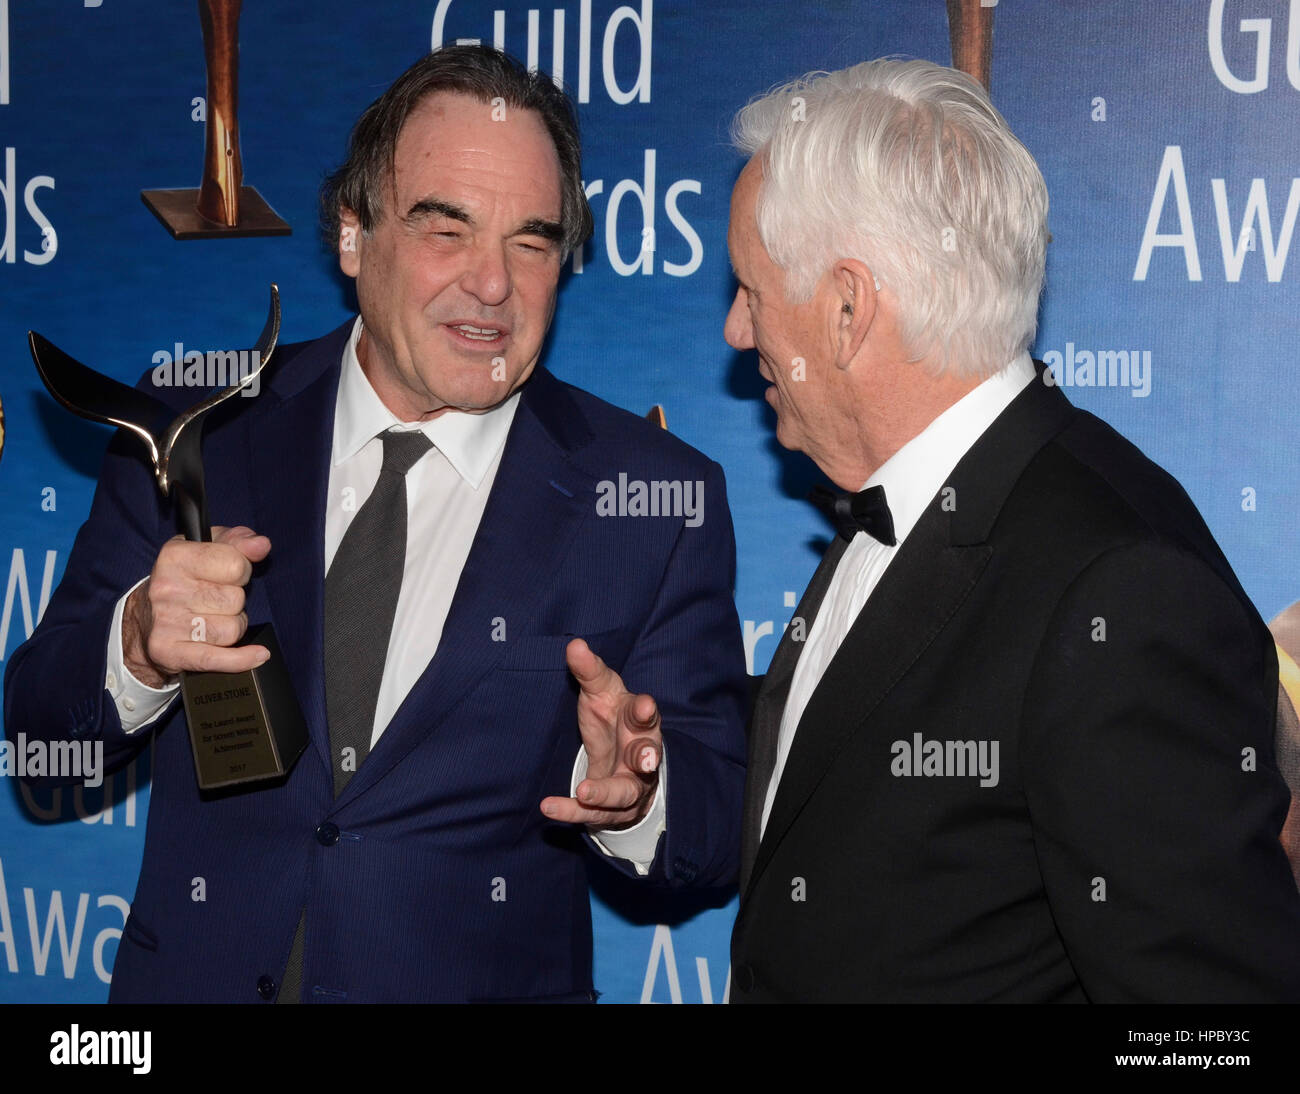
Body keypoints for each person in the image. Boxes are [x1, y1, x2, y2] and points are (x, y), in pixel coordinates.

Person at [3, 45, 746, 1003]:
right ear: (353, 236)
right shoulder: (198, 423)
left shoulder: (655, 499)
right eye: (448, 229)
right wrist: (138, 647)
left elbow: (717, 832)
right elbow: (36, 732)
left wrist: (640, 796)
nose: (492, 284)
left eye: (531, 240)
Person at [717, 59, 1300, 1002]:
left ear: (848, 308)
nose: (738, 331)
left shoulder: (1118, 585)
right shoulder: (912, 495)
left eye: (750, 287)